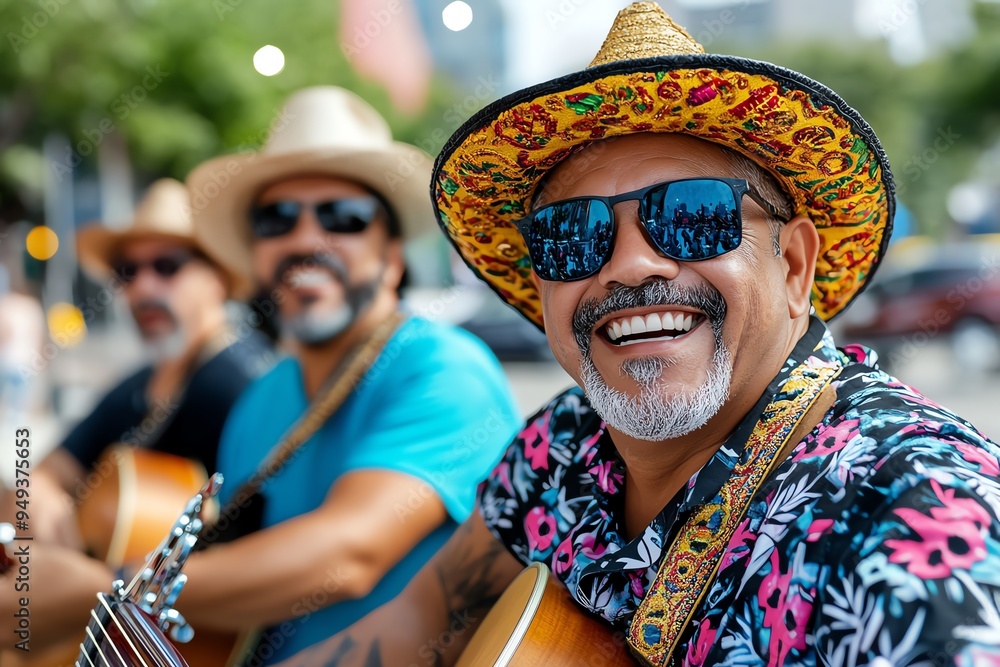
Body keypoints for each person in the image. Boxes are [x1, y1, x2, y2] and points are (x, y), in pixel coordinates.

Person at [283, 4, 1000, 665]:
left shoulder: (921, 514)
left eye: (692, 215)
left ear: (791, 264)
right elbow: (418, 628)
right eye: (571, 234)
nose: (629, 264)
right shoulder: (562, 446)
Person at [178, 86, 521, 664]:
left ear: (392, 258)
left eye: (344, 217)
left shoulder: (445, 368)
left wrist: (100, 591)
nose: (306, 240)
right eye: (276, 219)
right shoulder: (258, 402)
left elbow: (346, 557)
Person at [10, 178, 272, 550]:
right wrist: (39, 492)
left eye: (167, 266)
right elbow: (53, 468)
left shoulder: (244, 382)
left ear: (217, 277)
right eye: (127, 271)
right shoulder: (141, 382)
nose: (143, 288)